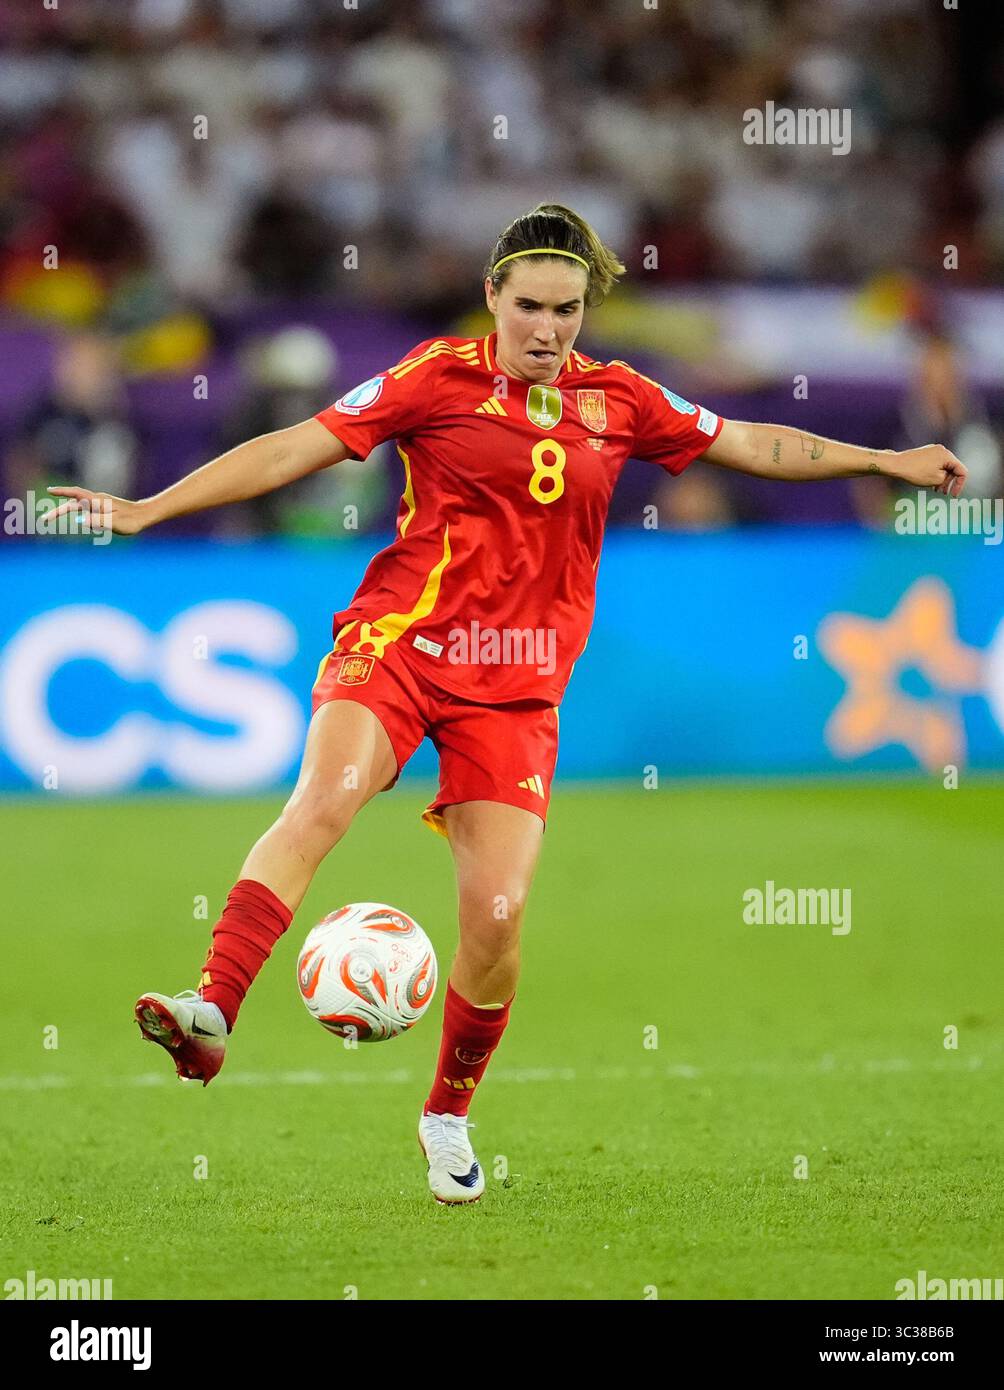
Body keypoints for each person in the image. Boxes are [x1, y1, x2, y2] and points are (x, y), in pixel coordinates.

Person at [46, 203, 968, 1205]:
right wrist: (150, 507)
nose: (546, 329)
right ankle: (212, 1011)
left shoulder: (619, 399)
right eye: (527, 306)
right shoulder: (431, 376)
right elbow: (294, 447)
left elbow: (747, 442)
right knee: (321, 802)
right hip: (404, 643)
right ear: (492, 297)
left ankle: (446, 1112)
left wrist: (879, 460)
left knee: (495, 917)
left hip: (518, 688)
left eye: (566, 310)